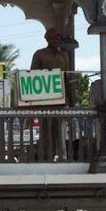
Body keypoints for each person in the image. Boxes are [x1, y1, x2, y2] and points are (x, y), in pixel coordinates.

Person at [31, 27, 71, 160]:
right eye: (54, 37)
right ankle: (46, 156)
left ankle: (60, 156)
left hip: (60, 100)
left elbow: (66, 78)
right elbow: (33, 77)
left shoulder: (63, 56)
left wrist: (71, 100)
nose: (56, 40)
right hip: (44, 100)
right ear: (48, 39)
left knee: (59, 130)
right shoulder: (39, 54)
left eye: (58, 38)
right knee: (45, 130)